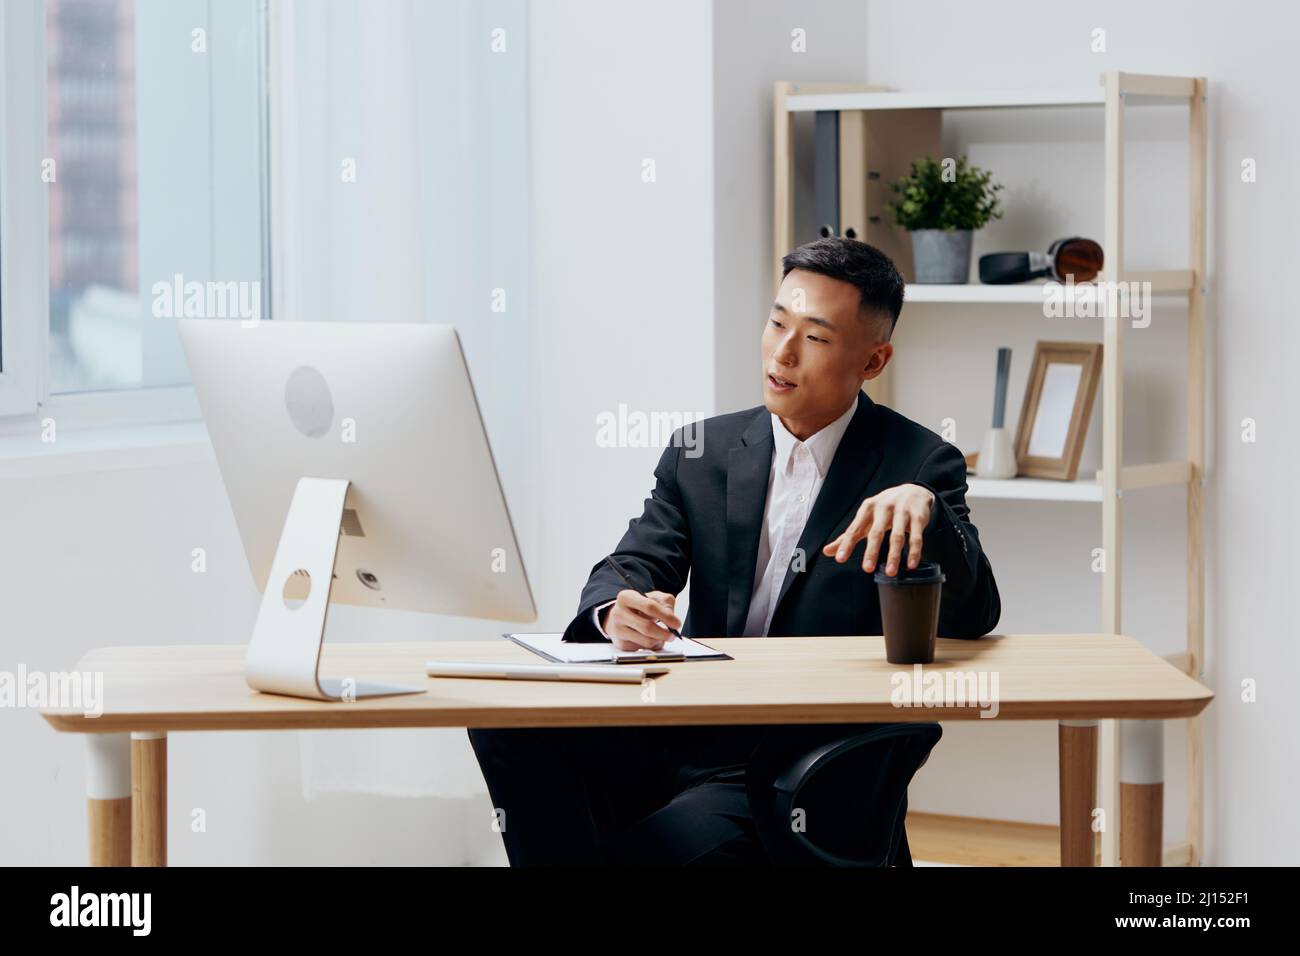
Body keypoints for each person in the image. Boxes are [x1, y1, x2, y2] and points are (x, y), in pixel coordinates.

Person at [469, 237, 1001, 865]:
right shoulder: (702, 450)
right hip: (680, 729)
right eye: (777, 322)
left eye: (817, 337)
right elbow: (632, 561)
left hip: (798, 766)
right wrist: (616, 609)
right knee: (503, 718)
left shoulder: (916, 462)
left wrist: (930, 514)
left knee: (654, 852)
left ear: (873, 360)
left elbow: (975, 616)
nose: (783, 351)